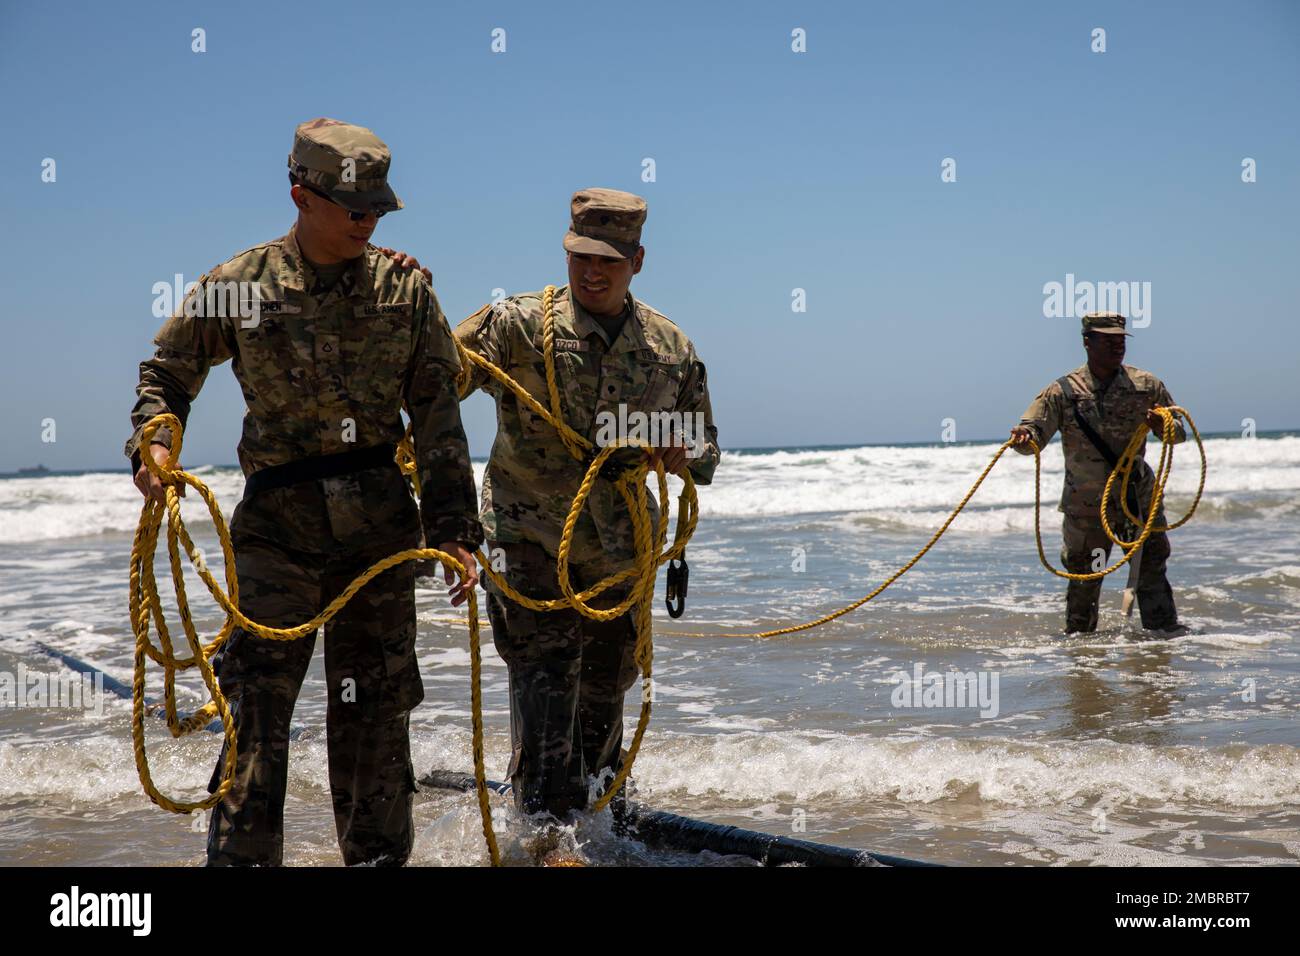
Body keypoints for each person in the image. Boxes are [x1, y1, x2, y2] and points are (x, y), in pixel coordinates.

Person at [126, 117, 482, 866]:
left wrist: (455, 530)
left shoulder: (407, 291)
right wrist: (156, 439)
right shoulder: (240, 286)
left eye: (377, 210)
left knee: (377, 720)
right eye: (355, 209)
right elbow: (167, 372)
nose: (368, 221)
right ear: (301, 195)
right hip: (277, 538)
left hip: (381, 538)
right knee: (257, 716)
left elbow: (440, 416)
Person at [454, 187, 721, 819]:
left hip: (620, 554)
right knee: (546, 684)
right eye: (581, 258)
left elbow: (707, 444)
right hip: (529, 541)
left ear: (638, 261)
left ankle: (600, 827)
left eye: (610, 260)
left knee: (605, 690)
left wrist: (682, 451)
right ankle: (544, 837)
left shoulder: (669, 348)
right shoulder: (516, 324)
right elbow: (437, 374)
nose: (593, 272)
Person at [1009, 312, 1187, 635]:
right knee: (1084, 591)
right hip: (1087, 511)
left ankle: (1161, 661)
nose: (1117, 346)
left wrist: (1165, 428)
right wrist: (1023, 439)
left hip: (1137, 504)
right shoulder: (1062, 392)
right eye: (1108, 340)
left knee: (1151, 579)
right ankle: (1082, 670)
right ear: (1087, 342)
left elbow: (1179, 431)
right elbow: (1032, 434)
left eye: (1120, 340)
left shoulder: (1145, 385)